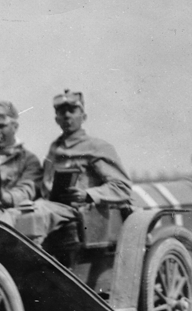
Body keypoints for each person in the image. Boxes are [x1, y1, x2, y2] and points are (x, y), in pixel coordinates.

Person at [33, 89, 132, 266]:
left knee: (36, 213)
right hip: (54, 210)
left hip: (80, 214)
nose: (67, 116)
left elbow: (122, 187)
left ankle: (33, 261)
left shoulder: (97, 147)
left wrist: (88, 194)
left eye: (72, 111)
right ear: (56, 119)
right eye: (62, 112)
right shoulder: (54, 149)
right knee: (20, 212)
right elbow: (44, 185)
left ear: (83, 116)